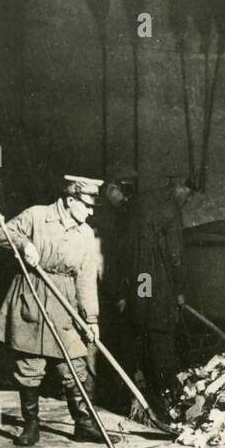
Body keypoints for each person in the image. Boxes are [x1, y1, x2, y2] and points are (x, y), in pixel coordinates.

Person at [0, 175, 112, 446]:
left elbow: (86, 278)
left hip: (64, 301)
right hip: (32, 294)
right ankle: (31, 425)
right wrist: (23, 245)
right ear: (70, 201)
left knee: (74, 365)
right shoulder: (37, 216)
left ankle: (83, 424)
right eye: (88, 205)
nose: (91, 212)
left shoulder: (85, 233)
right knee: (29, 365)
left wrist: (91, 319)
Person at [127, 173, 197, 421]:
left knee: (142, 328)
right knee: (161, 337)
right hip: (158, 282)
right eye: (187, 195)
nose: (186, 200)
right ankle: (166, 404)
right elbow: (176, 255)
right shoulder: (170, 210)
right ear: (178, 188)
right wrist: (180, 291)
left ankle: (141, 396)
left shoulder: (139, 202)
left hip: (139, 281)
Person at [90, 170, 136, 410]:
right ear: (110, 190)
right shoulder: (107, 219)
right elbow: (106, 262)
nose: (124, 198)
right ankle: (108, 398)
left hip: (109, 291)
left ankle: (109, 395)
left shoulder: (113, 215)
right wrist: (118, 294)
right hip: (106, 295)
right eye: (121, 191)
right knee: (110, 344)